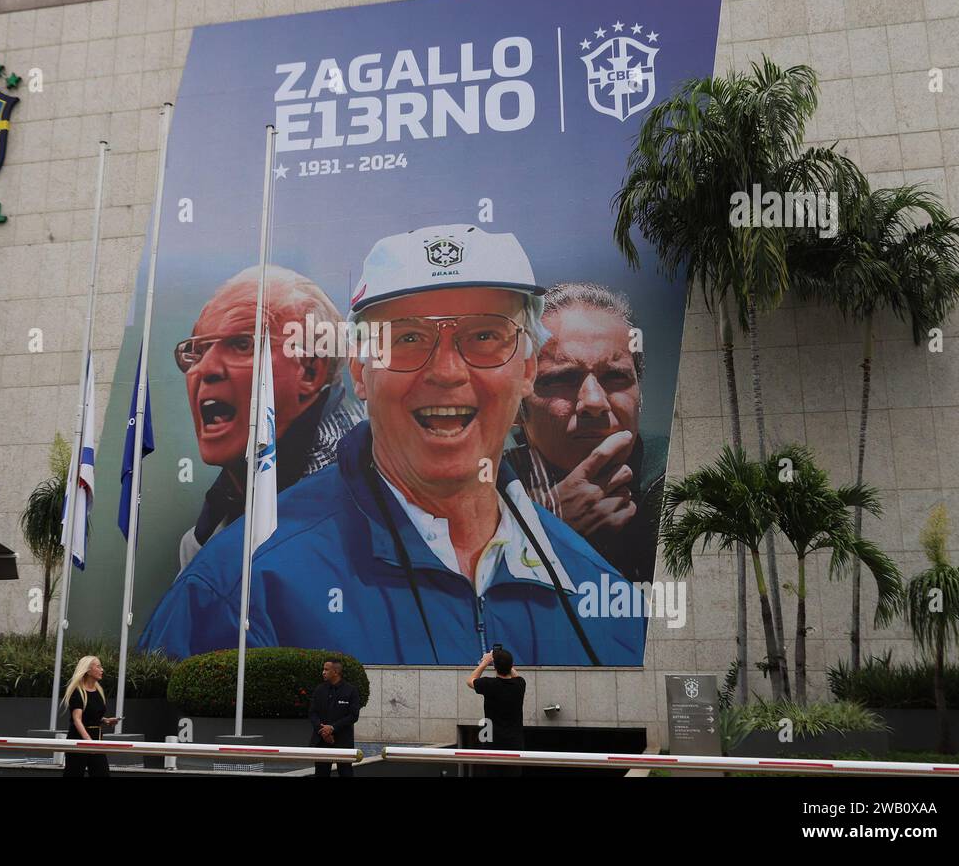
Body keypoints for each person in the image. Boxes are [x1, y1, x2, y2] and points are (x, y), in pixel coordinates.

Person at [141, 225, 646, 666]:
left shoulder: (604, 600)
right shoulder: (238, 588)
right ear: (361, 372)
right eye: (406, 338)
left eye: (484, 336)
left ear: (528, 370)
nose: (447, 372)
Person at [173, 264, 363, 570]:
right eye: (198, 350)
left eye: (242, 344)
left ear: (310, 370)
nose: (204, 368)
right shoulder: (204, 536)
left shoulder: (360, 504)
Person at [507, 283, 666, 583]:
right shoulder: (476, 496)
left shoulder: (679, 481)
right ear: (515, 408)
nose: (594, 401)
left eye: (615, 376)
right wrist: (547, 531)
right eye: (562, 378)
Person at [466, 647, 525, 777]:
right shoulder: (520, 684)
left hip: (492, 743)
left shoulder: (489, 684)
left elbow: (470, 681)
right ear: (511, 665)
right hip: (514, 744)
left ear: (494, 667)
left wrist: (485, 662)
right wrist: (504, 661)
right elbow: (515, 675)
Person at [61, 656, 117, 777]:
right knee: (74, 773)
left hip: (96, 739)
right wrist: (88, 740)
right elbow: (77, 719)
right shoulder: (78, 691)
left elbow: (91, 715)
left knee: (102, 773)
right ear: (87, 670)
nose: (102, 670)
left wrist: (105, 720)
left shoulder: (99, 690)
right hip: (79, 739)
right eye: (98, 666)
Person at [309, 657, 359, 777]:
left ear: (336, 672)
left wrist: (332, 728)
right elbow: (312, 713)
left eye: (326, 669)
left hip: (343, 741)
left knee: (346, 773)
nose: (323, 672)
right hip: (322, 741)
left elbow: (353, 716)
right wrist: (323, 732)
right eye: (323, 669)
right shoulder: (319, 689)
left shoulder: (351, 691)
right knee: (321, 774)